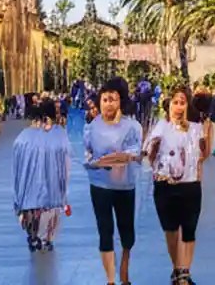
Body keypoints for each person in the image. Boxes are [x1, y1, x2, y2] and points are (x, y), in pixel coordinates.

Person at [145, 86, 209, 285]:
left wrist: (207, 130)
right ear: (168, 105)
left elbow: (203, 155)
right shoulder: (160, 127)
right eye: (175, 102)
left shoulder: (196, 128)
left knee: (189, 229)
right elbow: (149, 153)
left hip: (190, 185)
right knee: (171, 230)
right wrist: (153, 150)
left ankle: (185, 272)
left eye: (183, 103)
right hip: (165, 186)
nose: (179, 107)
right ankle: (177, 268)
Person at [84, 83, 142, 285]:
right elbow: (89, 157)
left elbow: (133, 154)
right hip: (100, 186)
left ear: (121, 101)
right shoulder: (91, 128)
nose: (109, 104)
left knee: (127, 231)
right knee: (105, 230)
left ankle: (124, 267)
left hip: (125, 186)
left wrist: (112, 160)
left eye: (113, 99)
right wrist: (102, 162)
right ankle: (110, 279)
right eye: (105, 100)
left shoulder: (132, 127)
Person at [13, 97, 71, 252]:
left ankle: (35, 235)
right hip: (50, 180)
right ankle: (46, 238)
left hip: (33, 179)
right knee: (50, 209)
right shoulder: (58, 135)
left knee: (34, 207)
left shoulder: (24, 137)